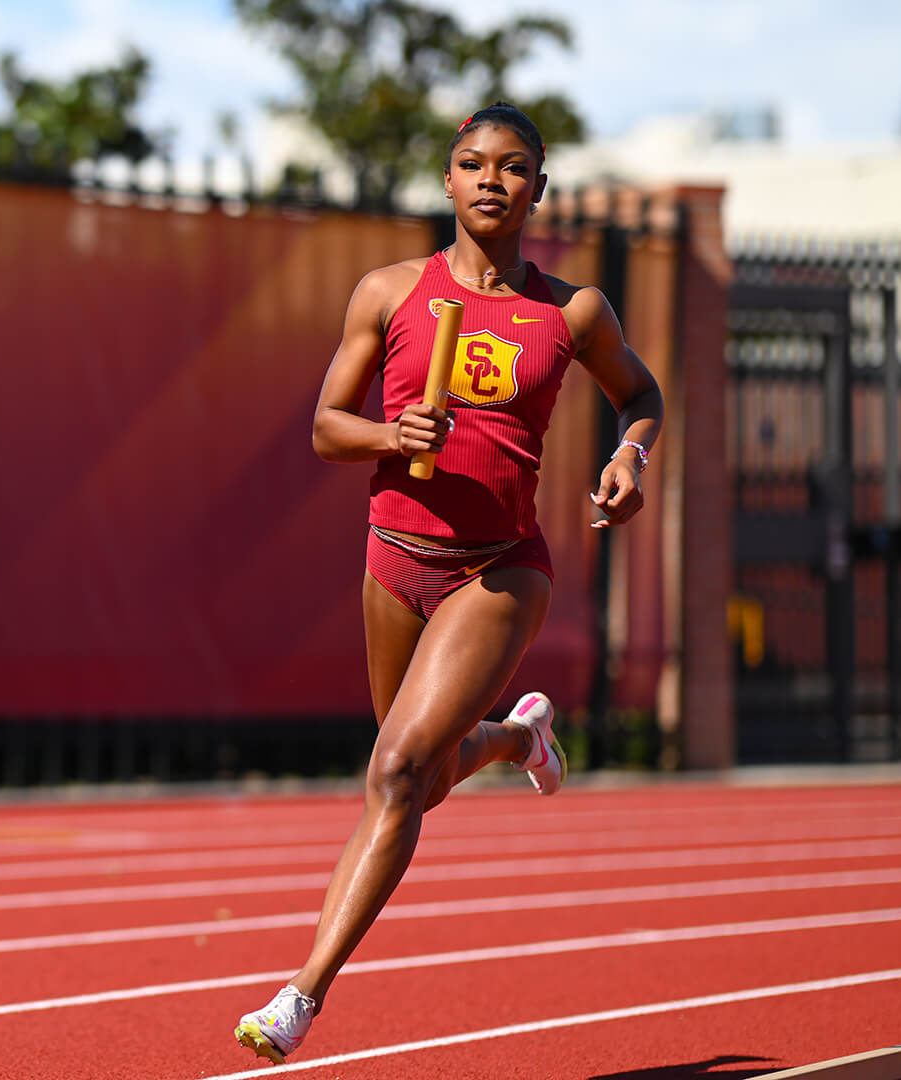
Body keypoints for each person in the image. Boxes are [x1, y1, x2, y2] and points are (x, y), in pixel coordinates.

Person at [232, 102, 664, 1065]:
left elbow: (642, 394)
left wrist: (632, 455)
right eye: (473, 164)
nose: (491, 181)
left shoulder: (573, 311)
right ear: (446, 180)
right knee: (418, 784)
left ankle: (298, 999)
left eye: (514, 167)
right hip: (394, 561)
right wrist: (393, 437)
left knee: (389, 775)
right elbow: (324, 426)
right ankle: (517, 736)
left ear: (539, 188)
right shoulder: (388, 292)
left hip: (497, 570)